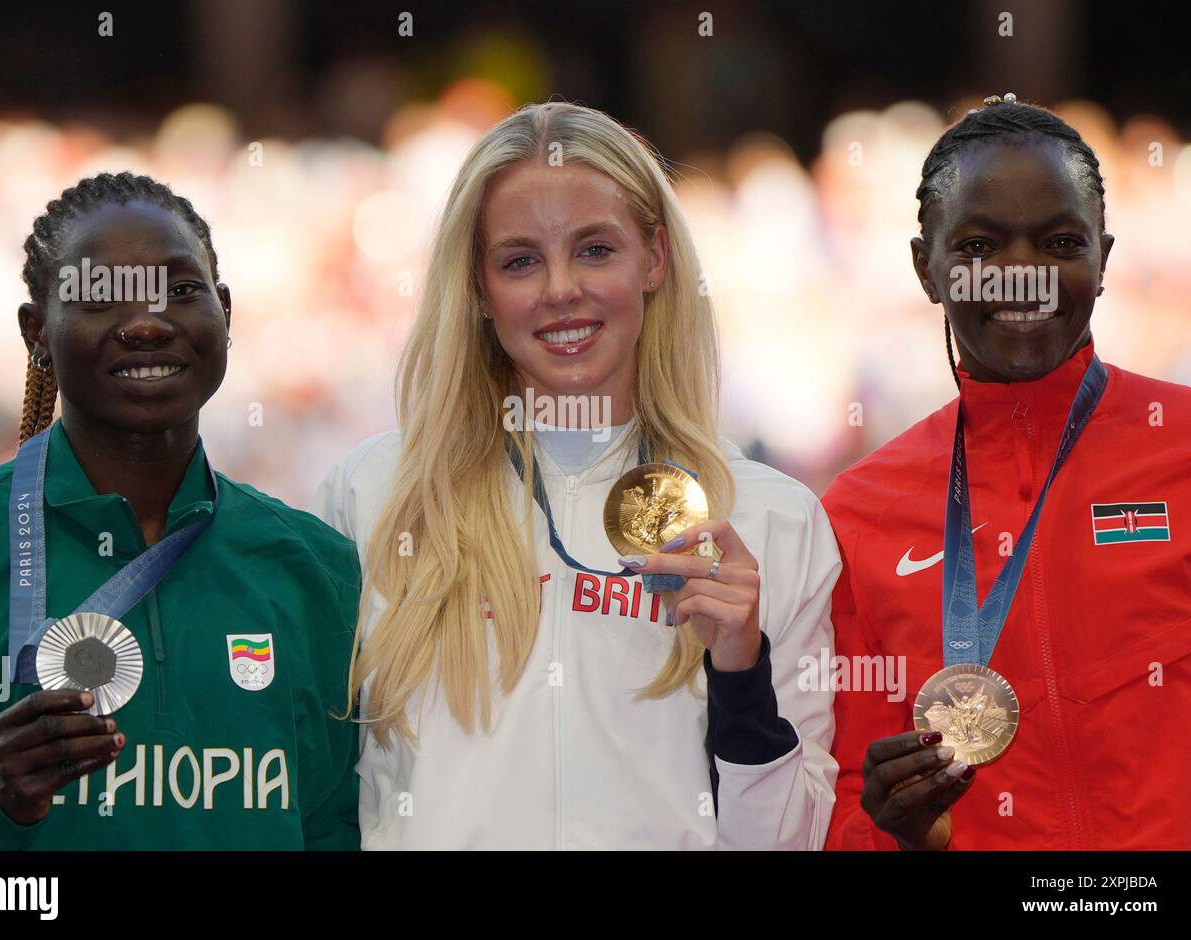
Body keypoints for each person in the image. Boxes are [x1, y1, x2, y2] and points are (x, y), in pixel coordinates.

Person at [312, 102, 840, 849]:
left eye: (595, 249)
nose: (561, 289)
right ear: (477, 287)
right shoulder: (372, 494)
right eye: (520, 260)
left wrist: (740, 676)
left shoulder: (769, 518)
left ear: (654, 258)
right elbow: (323, 794)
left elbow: (788, 841)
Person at [0, 172, 360, 849]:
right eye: (99, 295)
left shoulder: (318, 570)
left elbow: (339, 827)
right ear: (37, 331)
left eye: (181, 290)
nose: (148, 322)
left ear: (226, 314)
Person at [823, 96, 1191, 850]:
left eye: (1061, 242)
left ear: (1104, 258)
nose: (1020, 276)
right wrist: (889, 833)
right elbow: (841, 808)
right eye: (977, 248)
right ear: (925, 269)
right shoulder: (858, 512)